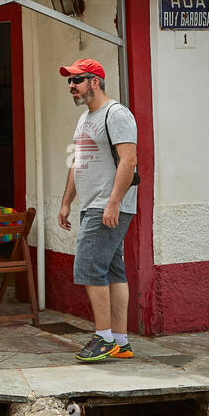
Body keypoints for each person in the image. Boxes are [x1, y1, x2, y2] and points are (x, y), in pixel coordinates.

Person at [56, 58, 139, 363]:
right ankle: (119, 340)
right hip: (92, 205)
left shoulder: (116, 115)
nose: (71, 87)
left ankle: (102, 337)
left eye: (76, 81)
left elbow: (129, 161)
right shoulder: (85, 119)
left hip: (108, 206)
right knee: (113, 270)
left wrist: (114, 202)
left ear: (95, 82)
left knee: (89, 266)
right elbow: (77, 162)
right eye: (69, 81)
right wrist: (66, 201)